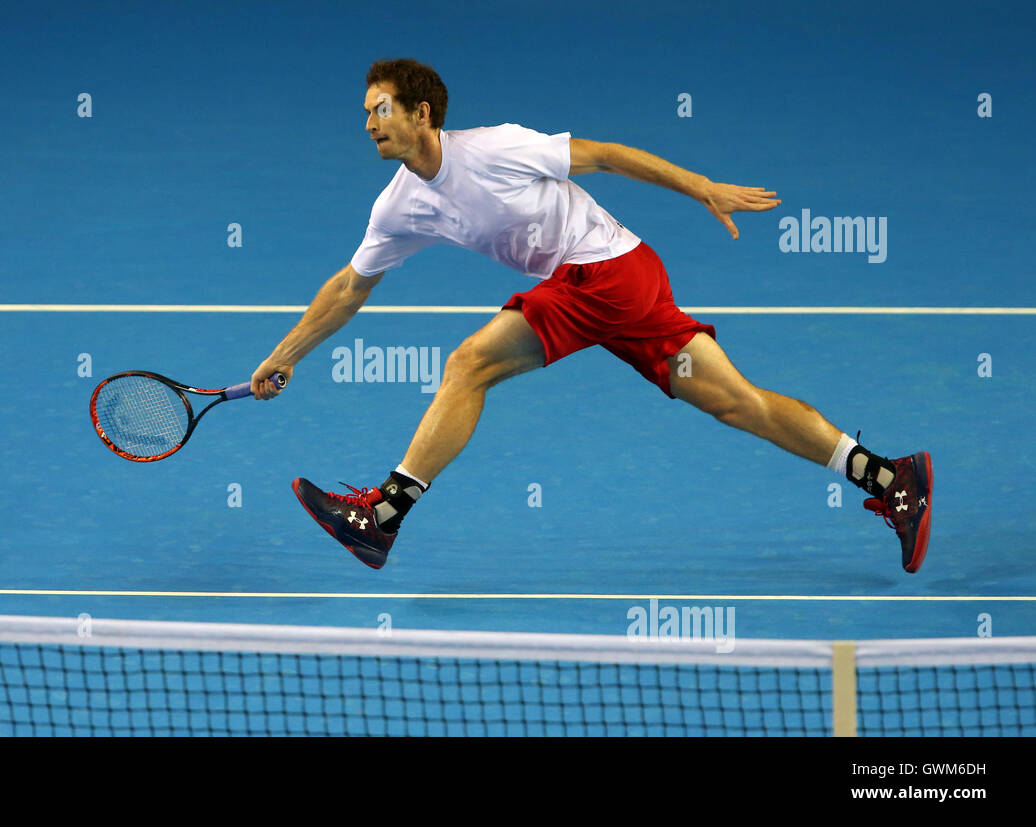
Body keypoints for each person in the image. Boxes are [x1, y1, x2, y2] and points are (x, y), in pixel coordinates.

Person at [250, 58, 931, 573]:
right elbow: (349, 286)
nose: (369, 122)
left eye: (381, 109)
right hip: (621, 287)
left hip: (605, 273)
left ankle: (383, 517)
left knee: (468, 365)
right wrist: (285, 355)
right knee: (739, 403)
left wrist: (704, 189)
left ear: (422, 112)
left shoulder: (494, 147)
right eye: (367, 112)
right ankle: (891, 477)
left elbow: (602, 156)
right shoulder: (399, 205)